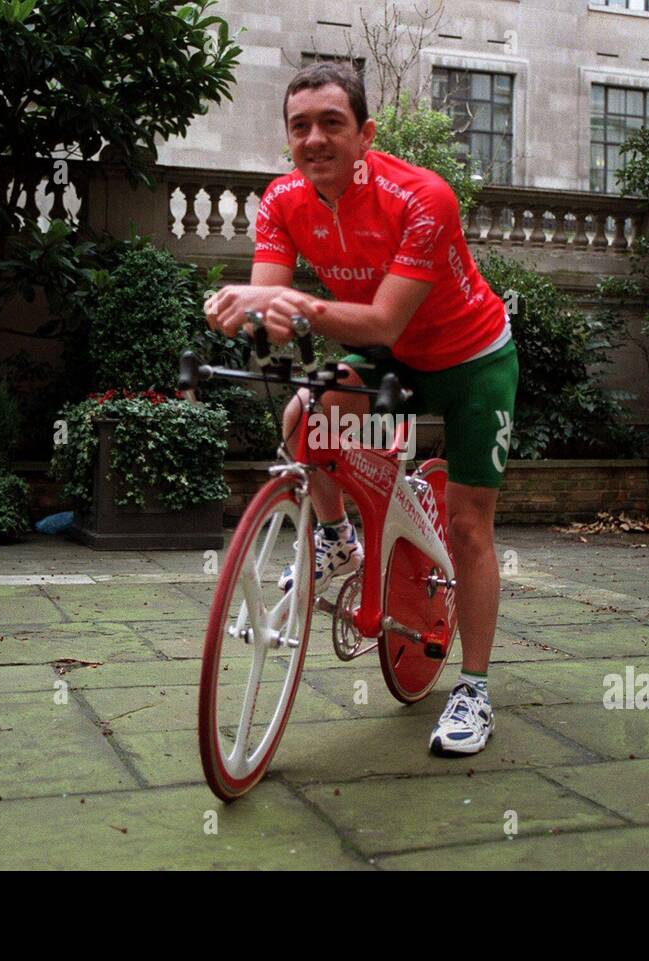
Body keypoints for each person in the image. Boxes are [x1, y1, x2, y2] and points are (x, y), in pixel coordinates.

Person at [204, 62, 517, 756]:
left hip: (471, 359)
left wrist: (299, 307)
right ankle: (337, 540)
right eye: (299, 126)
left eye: (331, 123)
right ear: (288, 139)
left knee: (469, 527)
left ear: (366, 133)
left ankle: (474, 690)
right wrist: (246, 313)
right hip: (392, 358)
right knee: (302, 419)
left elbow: (378, 320)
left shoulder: (422, 198)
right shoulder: (282, 201)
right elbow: (278, 312)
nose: (314, 138)